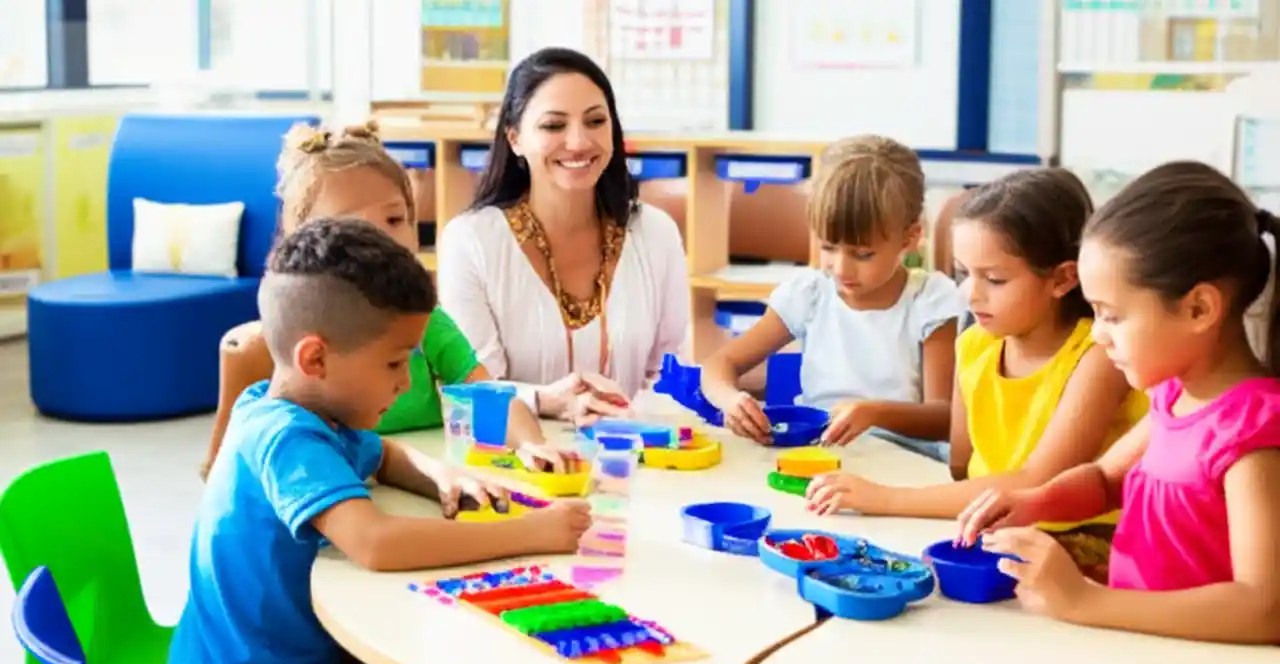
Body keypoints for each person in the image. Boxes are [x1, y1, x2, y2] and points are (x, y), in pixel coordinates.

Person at [168, 217, 592, 664]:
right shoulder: (286, 438)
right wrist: (532, 532)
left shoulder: (286, 406)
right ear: (316, 359)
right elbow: (376, 543)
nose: (407, 385)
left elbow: (382, 454)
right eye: (395, 365)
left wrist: (441, 477)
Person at [957, 162, 1280, 645]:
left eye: (1111, 315)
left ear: (1199, 309)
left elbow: (1265, 609)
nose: (1099, 336)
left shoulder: (1253, 431)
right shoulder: (1173, 397)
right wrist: (1034, 501)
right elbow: (1106, 481)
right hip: (1139, 649)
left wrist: (1087, 600)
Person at [807, 168, 1148, 582]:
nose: (970, 293)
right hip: (993, 524)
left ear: (1062, 278)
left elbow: (1035, 482)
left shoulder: (1097, 356)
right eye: (963, 272)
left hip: (1083, 540)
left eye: (995, 279)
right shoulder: (974, 345)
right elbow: (962, 465)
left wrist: (885, 497)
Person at [201, 120, 568, 481]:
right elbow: (225, 471)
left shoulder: (426, 325)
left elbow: (491, 398)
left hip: (429, 484)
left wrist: (530, 444)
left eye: (395, 218)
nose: (381, 237)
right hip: (332, 500)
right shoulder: (280, 345)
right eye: (348, 224)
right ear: (302, 241)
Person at [435, 47, 690, 425]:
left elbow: (671, 374)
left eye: (595, 121)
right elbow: (473, 388)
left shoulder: (656, 233)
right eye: (554, 125)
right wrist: (549, 401)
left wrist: (632, 423)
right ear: (515, 138)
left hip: (632, 455)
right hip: (515, 458)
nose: (578, 142)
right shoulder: (470, 240)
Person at [699, 135, 967, 457]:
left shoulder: (929, 301)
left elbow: (945, 417)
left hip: (904, 468)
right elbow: (720, 363)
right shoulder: (810, 295)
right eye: (828, 247)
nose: (841, 269)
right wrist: (731, 400)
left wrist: (874, 413)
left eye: (863, 254)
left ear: (910, 238)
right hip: (821, 461)